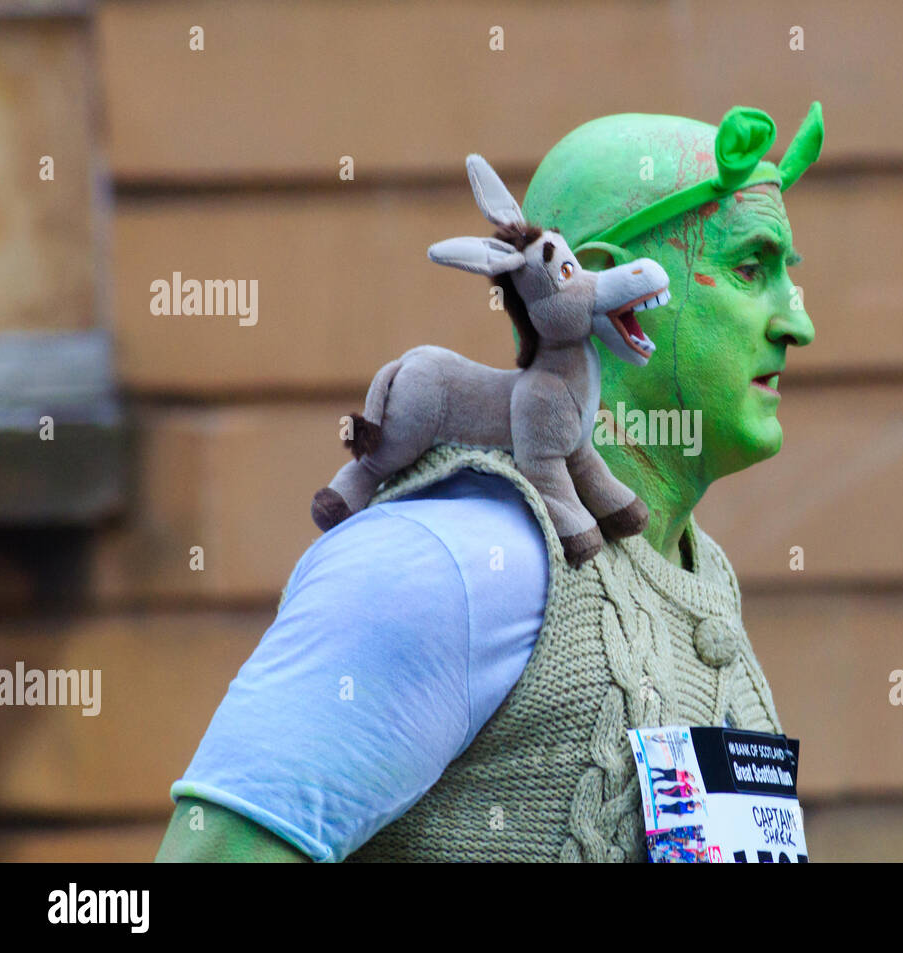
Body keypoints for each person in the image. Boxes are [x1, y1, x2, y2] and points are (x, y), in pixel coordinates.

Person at [155, 103, 823, 863]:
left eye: (784, 277)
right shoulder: (447, 561)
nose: (797, 325)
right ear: (608, 286)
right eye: (749, 268)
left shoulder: (703, 575)